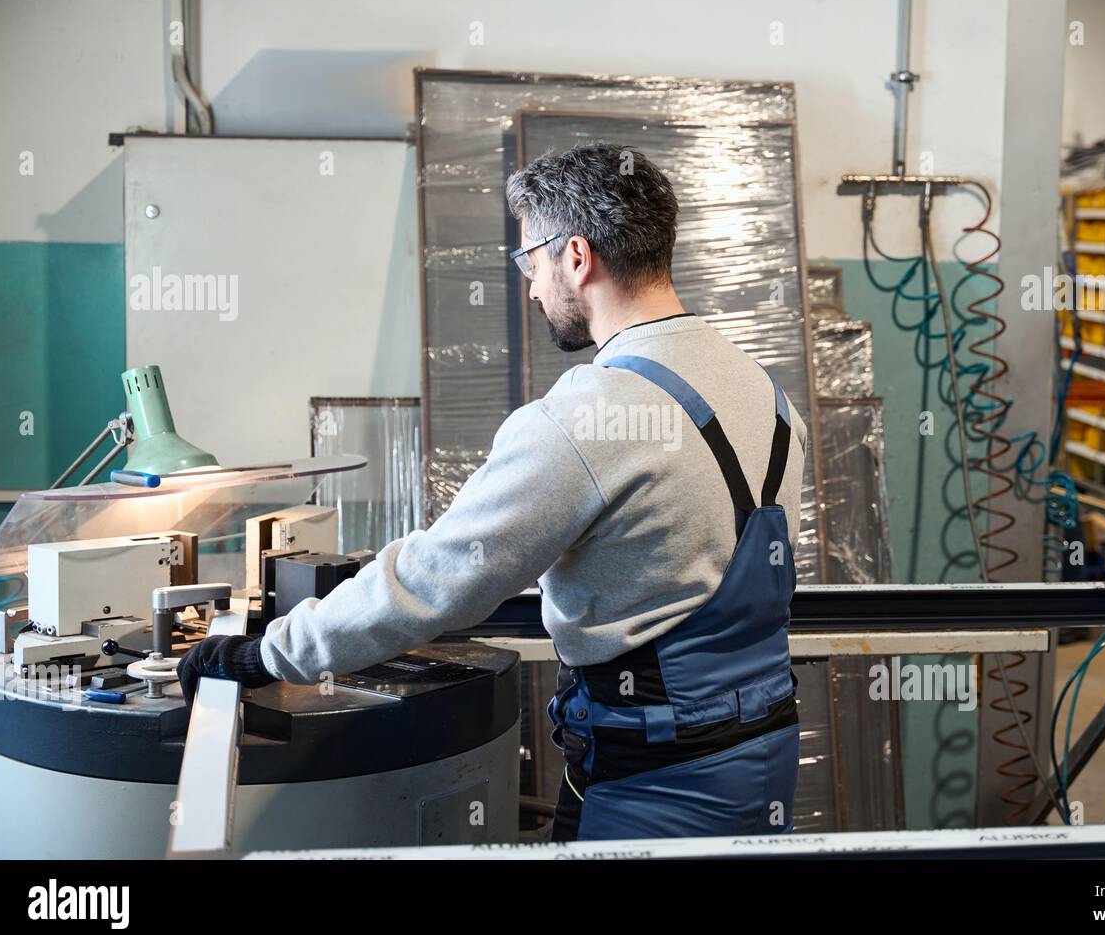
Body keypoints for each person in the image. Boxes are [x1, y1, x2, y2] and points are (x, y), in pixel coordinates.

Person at [179, 141, 808, 841]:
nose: (533, 288)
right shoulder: (767, 392)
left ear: (576, 256)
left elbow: (436, 582)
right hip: (763, 759)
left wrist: (266, 653)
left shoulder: (587, 416)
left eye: (530, 262)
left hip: (653, 784)